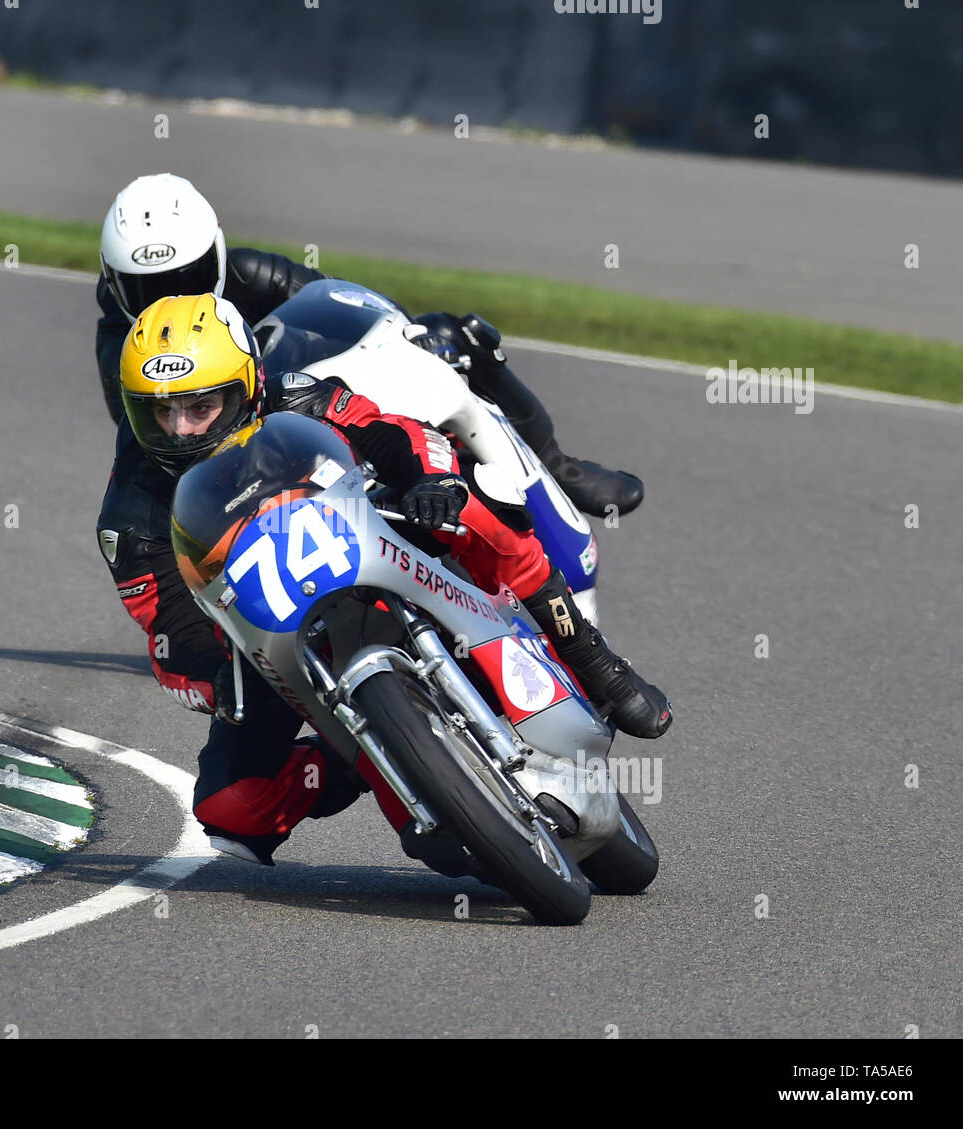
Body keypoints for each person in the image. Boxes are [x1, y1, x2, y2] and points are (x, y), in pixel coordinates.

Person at [97, 292, 671, 870]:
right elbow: (167, 631)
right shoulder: (129, 516)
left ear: (246, 385)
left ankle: (597, 663)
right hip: (266, 632)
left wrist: (430, 479)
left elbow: (389, 429)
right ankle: (360, 757)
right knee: (228, 808)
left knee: (477, 503)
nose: (180, 430)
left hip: (369, 534)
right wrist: (217, 675)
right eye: (159, 413)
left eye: (201, 407)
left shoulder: (294, 390)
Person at [96, 172, 644, 518]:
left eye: (187, 279)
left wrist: (413, 336)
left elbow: (346, 304)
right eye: (145, 291)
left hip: (307, 388)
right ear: (113, 283)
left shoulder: (251, 273)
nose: (167, 303)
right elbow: (162, 445)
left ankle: (557, 469)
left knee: (462, 335)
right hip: (229, 451)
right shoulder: (124, 347)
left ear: (215, 257)